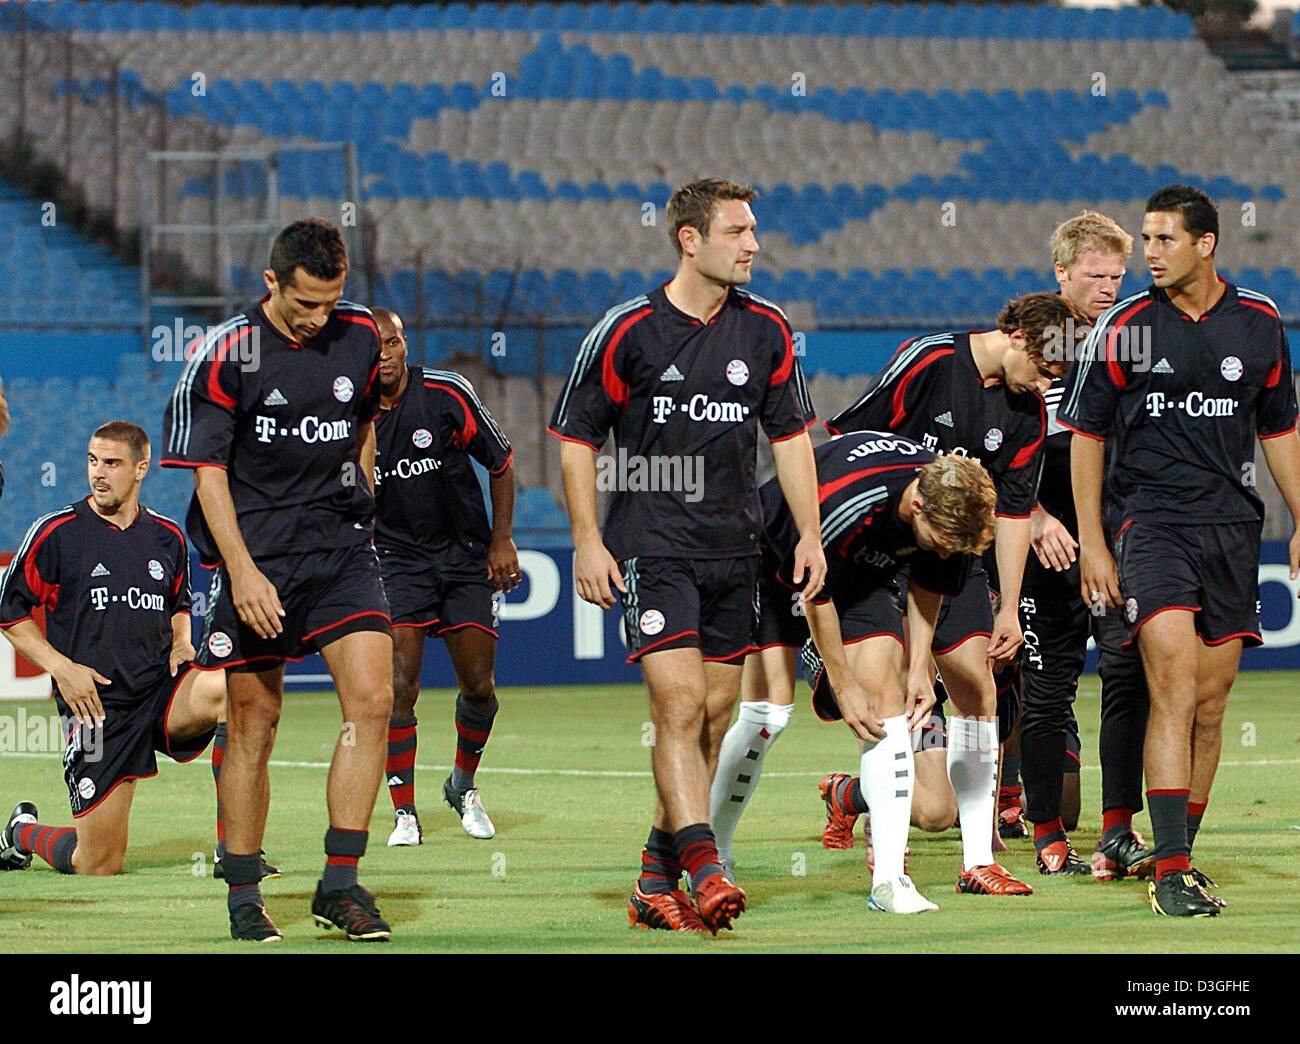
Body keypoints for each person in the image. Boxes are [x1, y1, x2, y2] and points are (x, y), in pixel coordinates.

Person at [550, 178, 823, 934]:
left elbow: (790, 438)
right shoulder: (627, 331)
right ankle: (705, 868)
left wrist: (808, 532)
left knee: (711, 718)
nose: (753, 244)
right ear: (690, 239)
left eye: (753, 229)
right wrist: (587, 541)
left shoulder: (766, 329)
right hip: (653, 546)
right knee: (676, 705)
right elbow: (576, 441)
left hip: (735, 551)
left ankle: (653, 876)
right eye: (738, 231)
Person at [1060, 184, 1300, 916]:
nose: (1151, 254)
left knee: (1209, 704)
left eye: (1164, 240)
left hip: (1232, 530)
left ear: (1206, 244)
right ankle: (1169, 872)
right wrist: (1095, 542)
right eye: (1147, 239)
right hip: (1150, 525)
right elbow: (1086, 436)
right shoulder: (1126, 326)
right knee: (1172, 685)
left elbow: (1279, 429)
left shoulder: (1260, 323)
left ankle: (1179, 853)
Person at [161, 219, 396, 942]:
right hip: (257, 558)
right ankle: (242, 892)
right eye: (305, 304)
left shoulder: (360, 335)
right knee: (254, 721)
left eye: (331, 301)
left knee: (374, 700)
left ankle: (341, 885)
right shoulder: (224, 353)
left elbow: (363, 421)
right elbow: (208, 474)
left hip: (339, 550)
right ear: (271, 282)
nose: (320, 317)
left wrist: (363, 491)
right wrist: (241, 573)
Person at [818, 292, 1084, 896]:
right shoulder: (930, 361)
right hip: (879, 556)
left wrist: (1009, 606)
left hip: (949, 558)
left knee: (978, 686)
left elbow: (1013, 513)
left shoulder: (1027, 413)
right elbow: (849, 443)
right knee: (893, 705)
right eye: (1045, 369)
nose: (1046, 385)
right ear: (1018, 337)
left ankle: (978, 861)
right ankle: (883, 839)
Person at [710, 431, 997, 913]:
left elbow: (930, 581)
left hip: (866, 569)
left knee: (887, 702)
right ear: (917, 508)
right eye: (941, 544)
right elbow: (815, 593)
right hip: (771, 557)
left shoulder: (951, 510)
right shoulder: (851, 501)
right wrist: (842, 684)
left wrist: (920, 668)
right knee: (768, 715)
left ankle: (890, 882)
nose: (947, 554)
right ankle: (712, 855)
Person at [0, 422, 226, 879]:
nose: (98, 473)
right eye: (92, 461)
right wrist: (62, 669)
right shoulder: (58, 532)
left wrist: (182, 640)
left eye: (112, 463)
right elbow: (9, 611)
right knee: (98, 864)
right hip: (98, 710)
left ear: (141, 468)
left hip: (162, 690)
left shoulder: (167, 536)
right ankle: (21, 832)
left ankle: (235, 852)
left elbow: (179, 604)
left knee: (235, 692)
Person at [1017, 211, 1154, 879]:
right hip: (1043, 547)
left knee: (1127, 674)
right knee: (1046, 688)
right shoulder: (1031, 344)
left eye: (1117, 276)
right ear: (1062, 272)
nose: (1107, 287)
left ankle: (1118, 829)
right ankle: (1046, 836)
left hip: (1115, 541)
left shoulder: (1132, 343)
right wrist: (1034, 514)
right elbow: (991, 446)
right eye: (1095, 275)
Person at [370, 306, 519, 846]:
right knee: (399, 686)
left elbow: (500, 462)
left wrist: (501, 539)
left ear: (405, 344)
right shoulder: (351, 415)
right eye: (374, 347)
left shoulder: (446, 393)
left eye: (392, 343)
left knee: (479, 687)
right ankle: (404, 812)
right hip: (396, 562)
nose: (384, 356)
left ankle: (462, 784)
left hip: (463, 557)